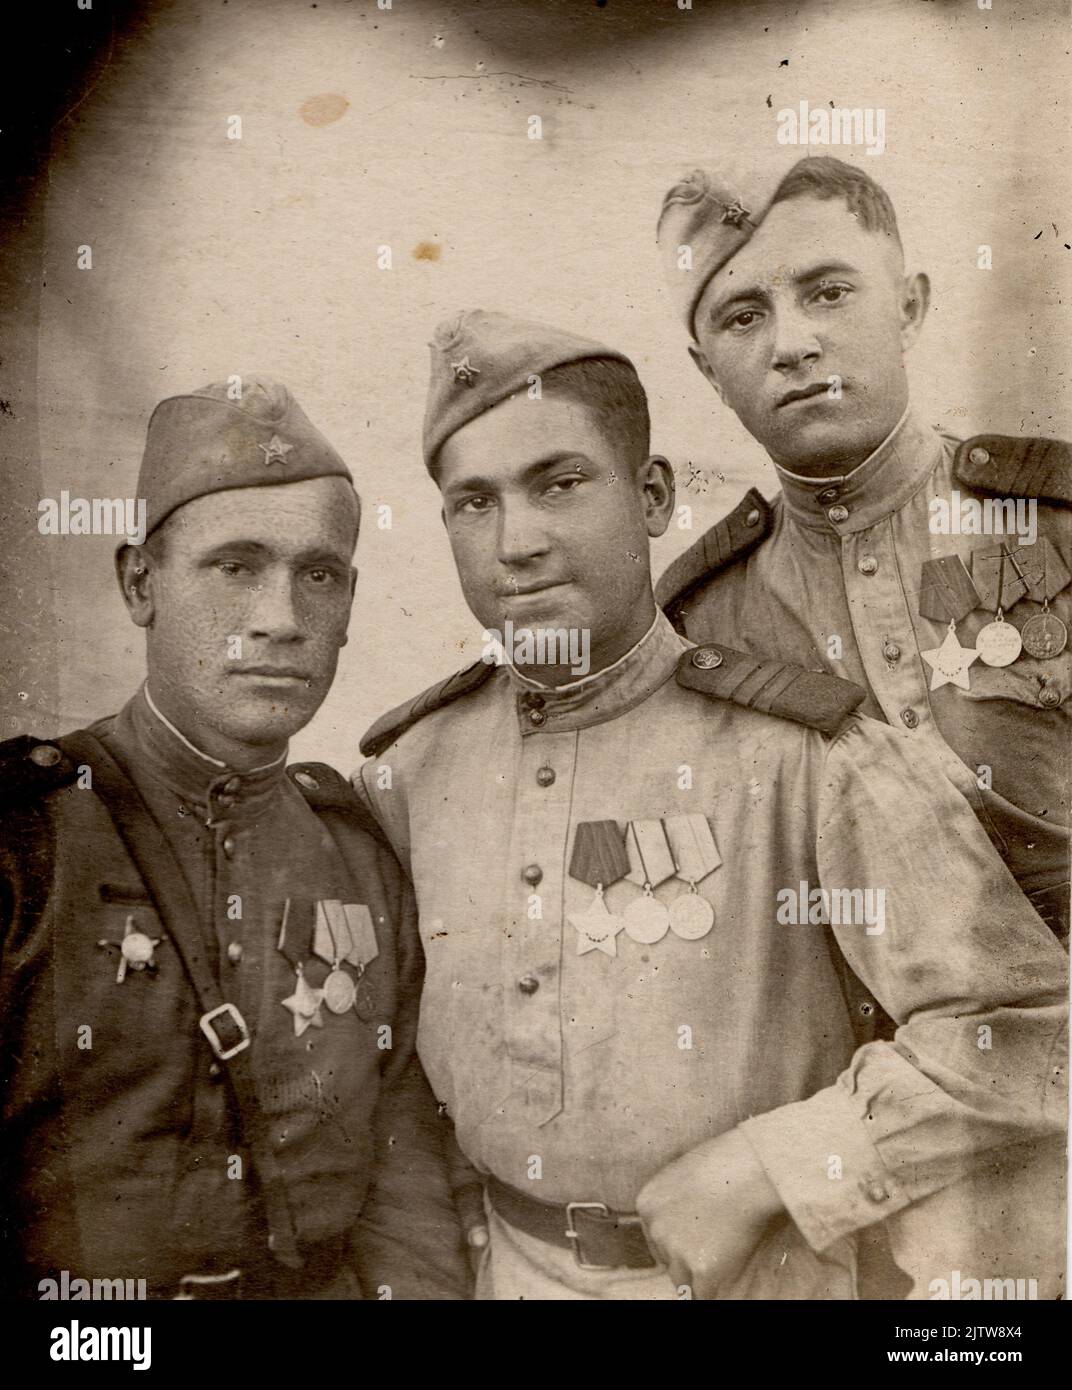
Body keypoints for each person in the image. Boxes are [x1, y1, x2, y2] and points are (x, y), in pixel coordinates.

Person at [353, 310, 1068, 1300]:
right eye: (474, 503)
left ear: (650, 497)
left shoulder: (805, 750)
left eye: (561, 484)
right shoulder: (408, 770)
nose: (516, 541)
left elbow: (1032, 1026)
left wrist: (782, 1162)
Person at [0, 377, 469, 1300]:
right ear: (141, 582)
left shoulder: (361, 855)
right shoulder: (27, 840)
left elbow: (400, 1163)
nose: (282, 620)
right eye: (236, 566)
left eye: (318, 574)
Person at [653, 155, 1071, 942]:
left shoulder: (1056, 521)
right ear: (708, 372)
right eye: (744, 317)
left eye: (829, 292)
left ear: (909, 308)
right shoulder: (697, 618)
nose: (794, 343)